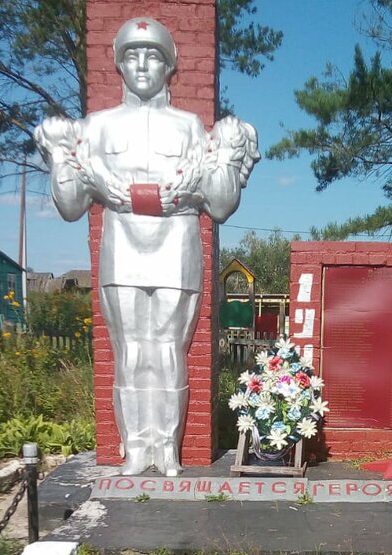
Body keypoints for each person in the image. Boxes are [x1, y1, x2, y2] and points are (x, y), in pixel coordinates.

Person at [34, 17, 259, 475]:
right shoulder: (95, 127)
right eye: (131, 55)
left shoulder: (190, 128)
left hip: (177, 244)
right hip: (123, 245)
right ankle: (136, 447)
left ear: (169, 66)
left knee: (168, 350)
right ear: (117, 64)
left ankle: (167, 447)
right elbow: (71, 204)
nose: (141, 65)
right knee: (131, 351)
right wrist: (58, 153)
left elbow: (219, 204)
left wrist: (230, 154)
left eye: (153, 55)